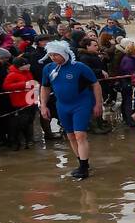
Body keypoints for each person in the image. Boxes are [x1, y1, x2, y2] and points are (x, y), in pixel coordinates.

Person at [38, 40, 103, 180]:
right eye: (51, 55)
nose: (53, 58)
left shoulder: (79, 67)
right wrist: (43, 105)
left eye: (56, 55)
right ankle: (81, 162)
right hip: (62, 105)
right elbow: (45, 87)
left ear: (64, 54)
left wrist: (98, 103)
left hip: (81, 103)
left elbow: (95, 84)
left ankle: (84, 167)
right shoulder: (48, 69)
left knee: (80, 135)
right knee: (71, 136)